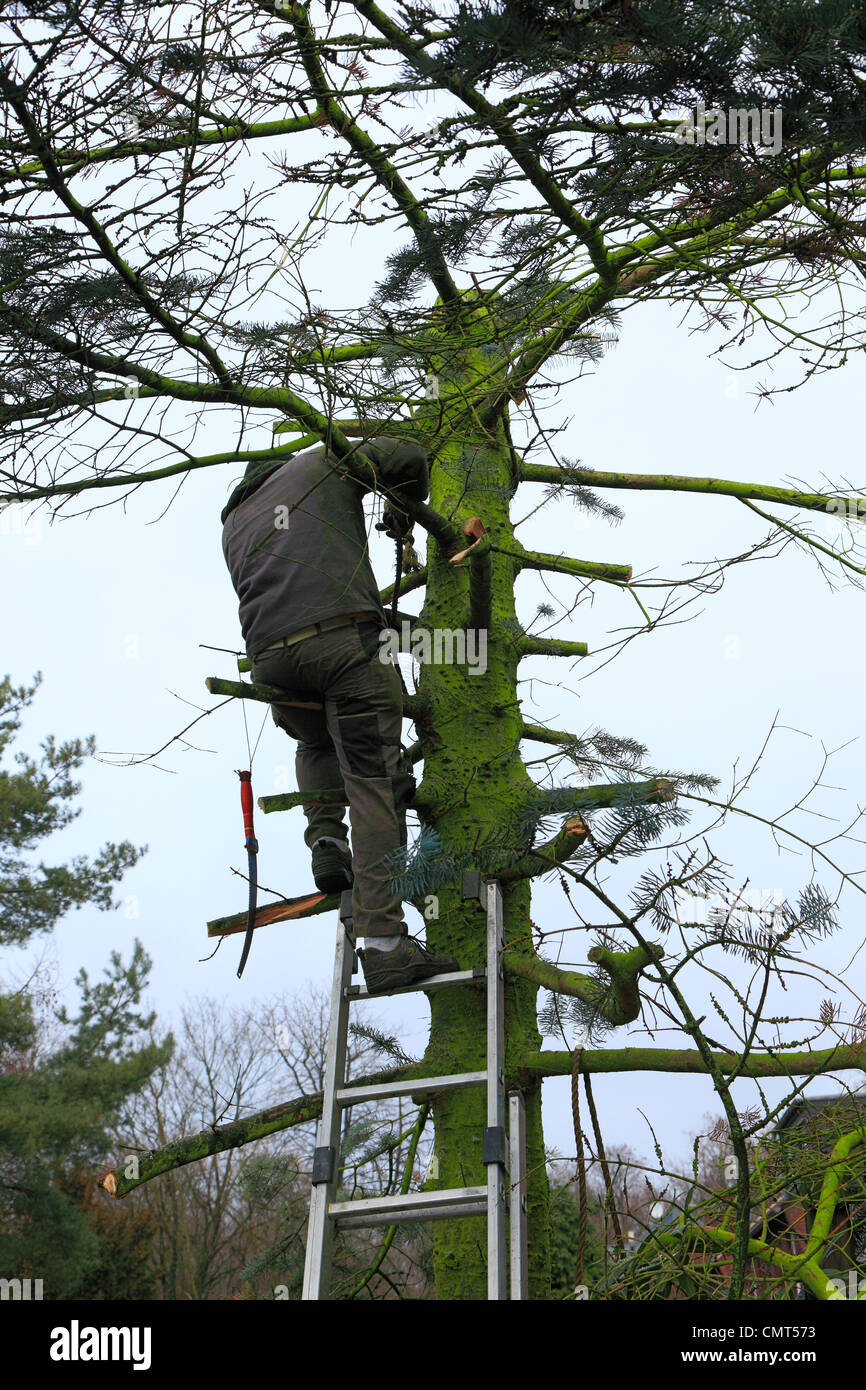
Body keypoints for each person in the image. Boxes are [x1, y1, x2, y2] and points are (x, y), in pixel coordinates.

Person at [221, 435, 457, 994]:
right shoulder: (324, 461)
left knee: (315, 740)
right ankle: (386, 947)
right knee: (374, 785)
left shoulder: (234, 523)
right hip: (344, 648)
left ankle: (326, 837)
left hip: (274, 663)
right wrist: (404, 511)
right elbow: (407, 455)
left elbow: (306, 587)